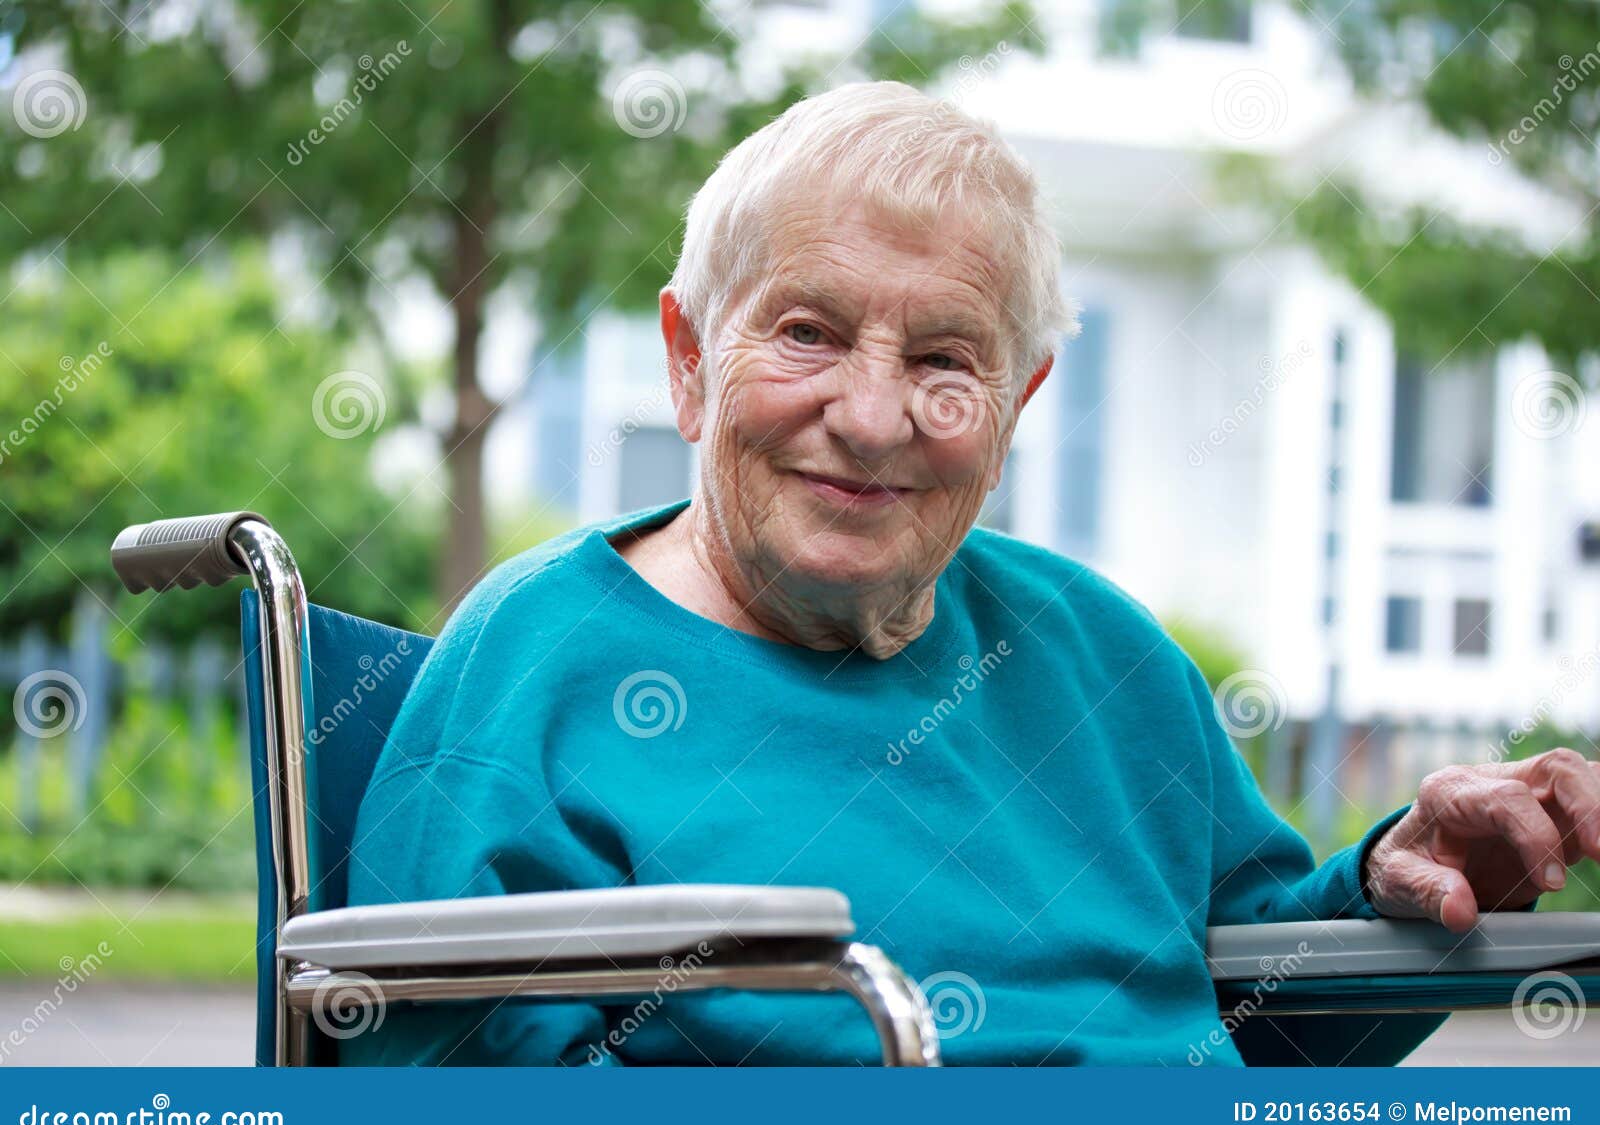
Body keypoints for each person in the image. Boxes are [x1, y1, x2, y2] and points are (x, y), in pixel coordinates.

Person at [344, 81, 1600, 1066]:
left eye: (945, 356)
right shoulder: (535, 667)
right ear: (687, 358)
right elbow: (439, 1076)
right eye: (807, 332)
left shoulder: (1096, 652)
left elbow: (1260, 1017)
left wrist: (1401, 883)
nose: (875, 414)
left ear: (1016, 401)